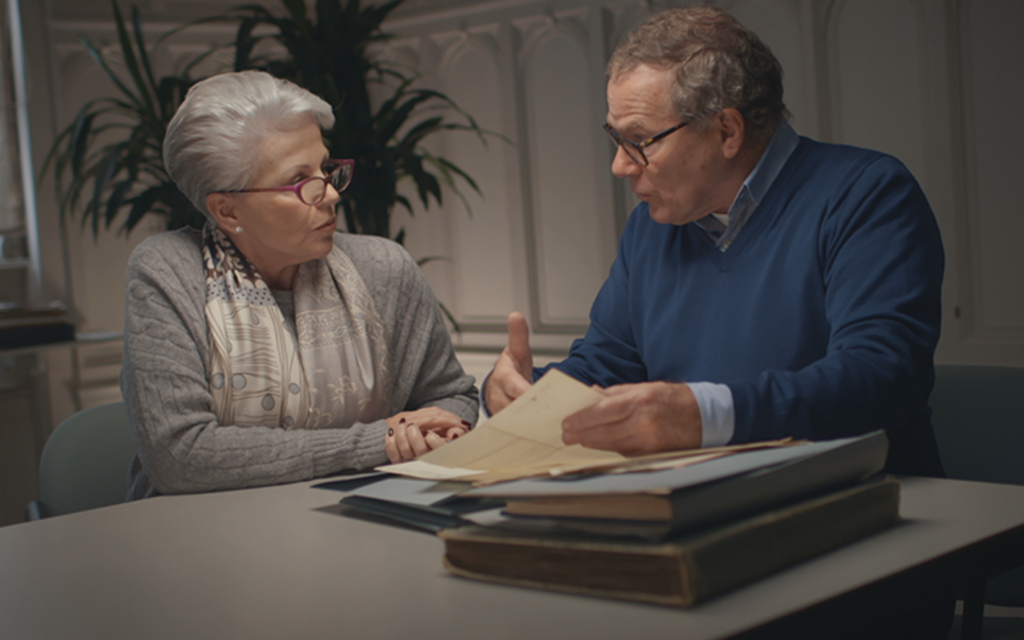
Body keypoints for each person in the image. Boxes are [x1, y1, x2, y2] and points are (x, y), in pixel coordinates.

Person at [484, 8, 950, 636]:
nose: (621, 166)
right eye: (614, 137)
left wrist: (700, 416)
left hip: (855, 558)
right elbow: (606, 365)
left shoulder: (866, 193)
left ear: (726, 130)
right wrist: (525, 394)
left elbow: (881, 377)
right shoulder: (655, 228)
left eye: (639, 139)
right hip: (696, 545)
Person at [120, 70, 477, 499]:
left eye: (326, 169)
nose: (330, 194)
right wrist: (377, 441)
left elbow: (453, 396)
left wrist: (438, 431)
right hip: (200, 538)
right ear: (227, 210)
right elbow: (181, 456)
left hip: (363, 519)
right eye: (301, 181)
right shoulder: (167, 271)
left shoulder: (384, 268)